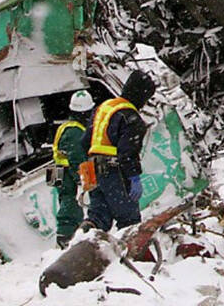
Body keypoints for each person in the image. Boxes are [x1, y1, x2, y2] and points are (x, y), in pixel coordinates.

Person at [82, 70, 155, 231]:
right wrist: (134, 177)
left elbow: (85, 141)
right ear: (142, 96)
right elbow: (127, 153)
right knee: (129, 220)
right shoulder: (131, 118)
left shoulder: (103, 108)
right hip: (115, 172)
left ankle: (84, 245)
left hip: (94, 170)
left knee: (98, 218)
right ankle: (130, 254)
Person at [51, 90, 94, 248]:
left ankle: (66, 236)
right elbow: (77, 159)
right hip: (64, 172)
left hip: (56, 170)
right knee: (70, 204)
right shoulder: (75, 131)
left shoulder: (68, 126)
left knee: (66, 202)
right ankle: (65, 239)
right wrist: (84, 180)